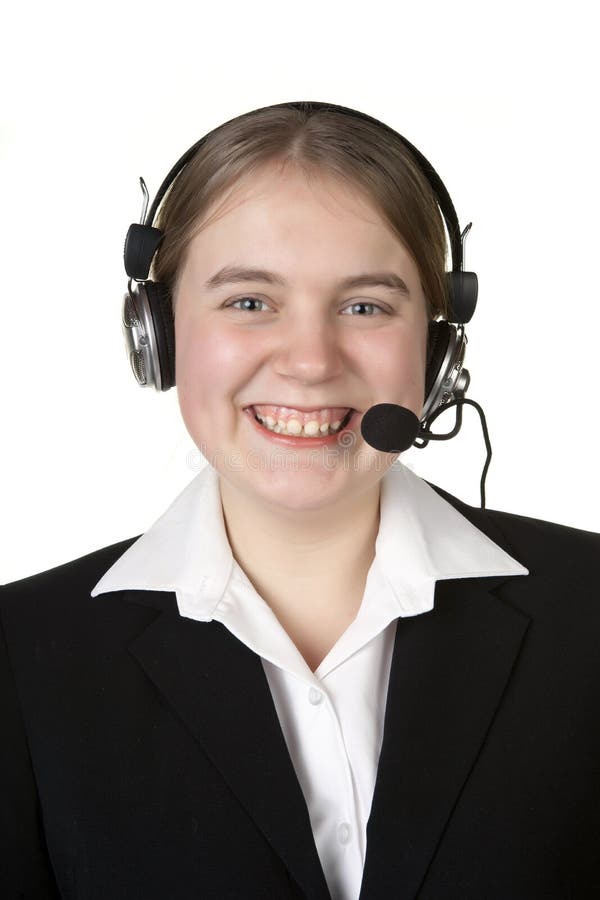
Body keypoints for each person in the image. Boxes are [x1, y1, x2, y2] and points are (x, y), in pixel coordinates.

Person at [1, 100, 598, 900]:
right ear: (159, 333)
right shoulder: (20, 657)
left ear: (439, 351)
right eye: (249, 301)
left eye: (366, 306)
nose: (311, 361)